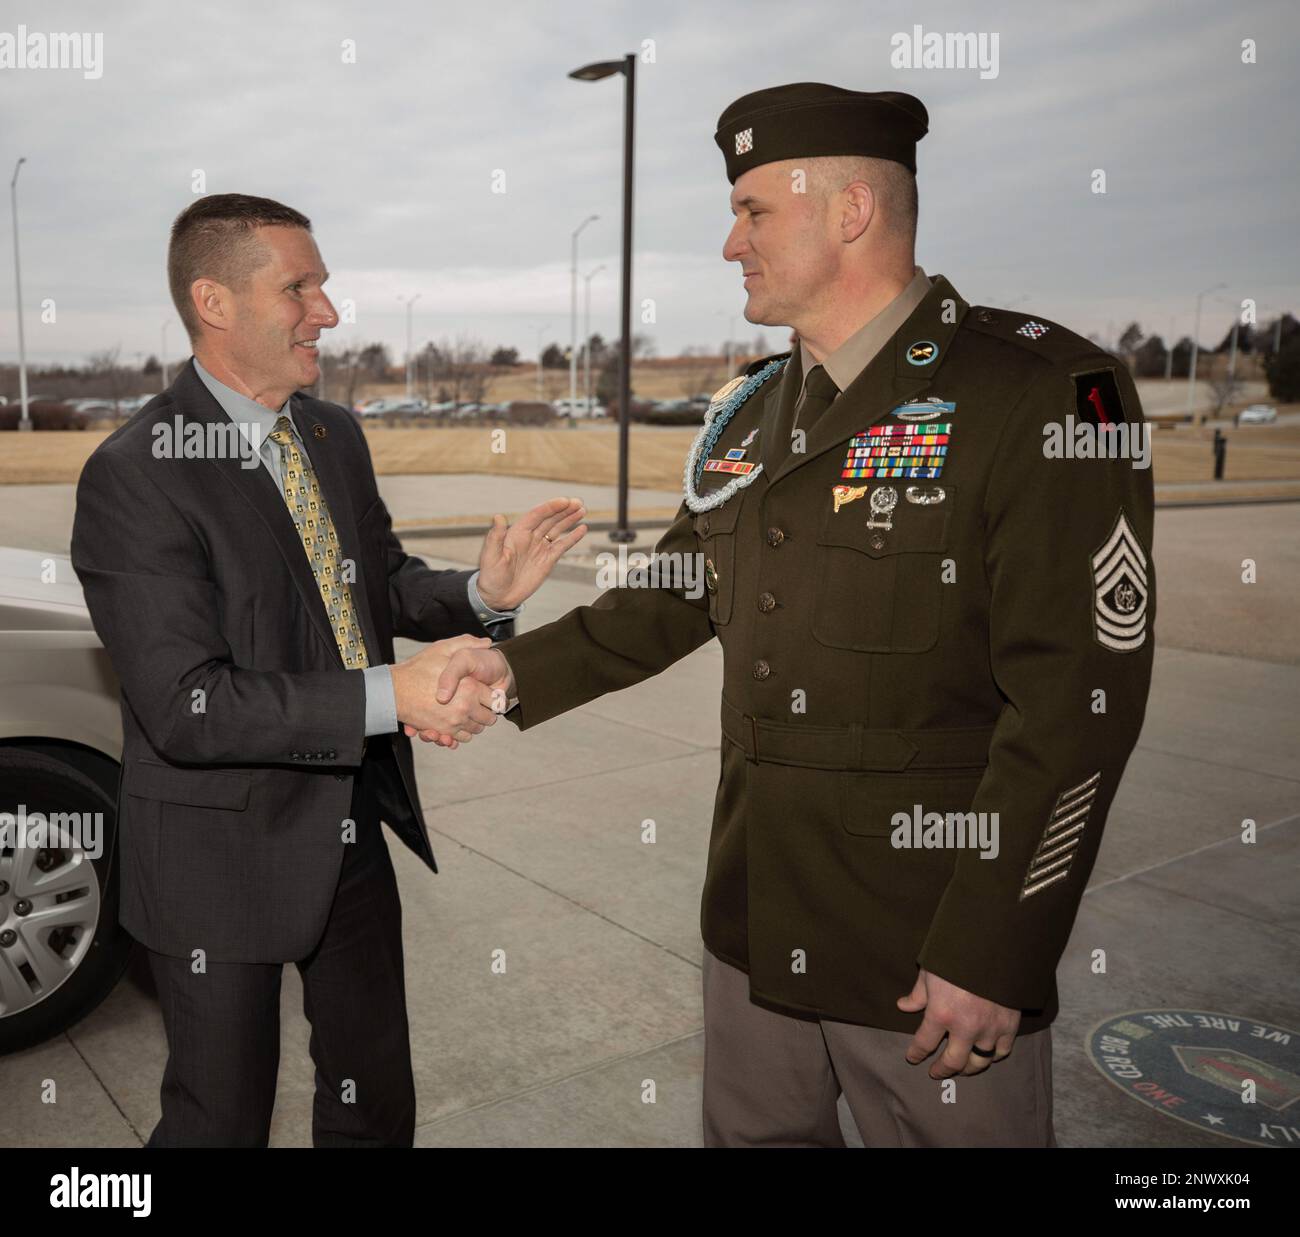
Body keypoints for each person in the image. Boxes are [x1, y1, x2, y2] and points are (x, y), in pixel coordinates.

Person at [427, 83, 1156, 1148]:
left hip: (925, 952)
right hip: (755, 927)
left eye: (754, 209)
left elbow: (1079, 703)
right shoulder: (754, 410)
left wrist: (995, 946)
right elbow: (673, 596)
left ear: (851, 211)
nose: (731, 241)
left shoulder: (1046, 391)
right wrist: (506, 672)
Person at [70, 193, 586, 1146]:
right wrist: (398, 694)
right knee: (218, 1120)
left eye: (326, 285)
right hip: (215, 863)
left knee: (375, 1101)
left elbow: (375, 583)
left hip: (353, 830)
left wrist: (481, 591)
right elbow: (191, 707)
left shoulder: (332, 436)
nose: (329, 312)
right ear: (213, 302)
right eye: (299, 287)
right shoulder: (136, 473)